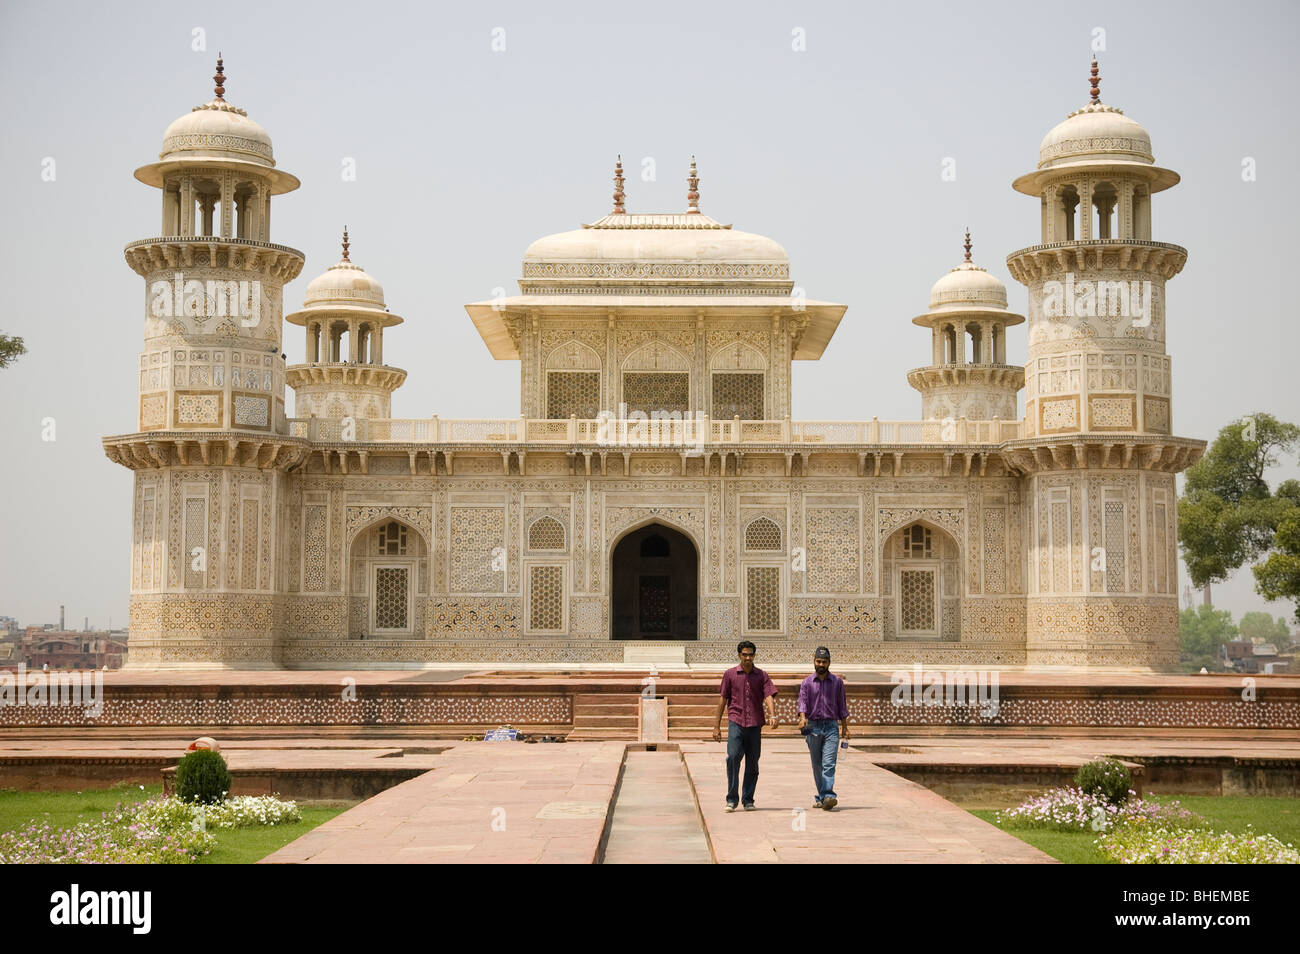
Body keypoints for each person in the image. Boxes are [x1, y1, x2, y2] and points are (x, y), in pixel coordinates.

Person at [713, 641, 778, 812]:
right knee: (733, 757)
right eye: (744, 654)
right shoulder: (730, 674)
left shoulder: (762, 675)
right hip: (736, 721)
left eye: (751, 654)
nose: (748, 658)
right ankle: (732, 799)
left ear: (754, 655)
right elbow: (723, 699)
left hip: (755, 723)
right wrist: (716, 726)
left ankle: (748, 799)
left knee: (752, 762)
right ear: (739, 655)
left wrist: (773, 715)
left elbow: (769, 695)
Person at [796, 646, 850, 810]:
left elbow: (842, 705)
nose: (821, 664)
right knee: (817, 764)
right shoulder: (807, 682)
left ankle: (828, 795)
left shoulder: (837, 682)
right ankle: (822, 797)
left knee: (828, 763)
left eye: (824, 662)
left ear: (829, 663)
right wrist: (802, 718)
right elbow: (802, 702)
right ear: (814, 662)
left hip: (831, 726)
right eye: (818, 661)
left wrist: (845, 728)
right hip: (813, 726)